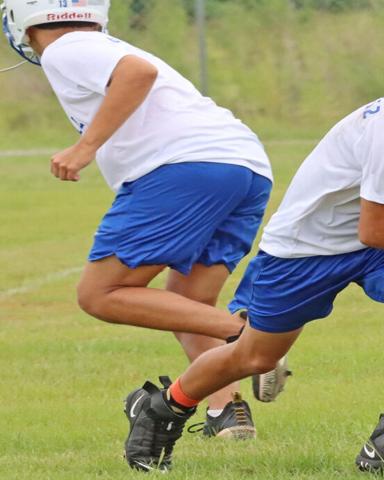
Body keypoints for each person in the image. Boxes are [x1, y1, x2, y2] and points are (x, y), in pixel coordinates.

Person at [118, 11, 384, 474]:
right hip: (310, 247)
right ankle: (163, 407)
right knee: (254, 355)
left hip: (374, 236)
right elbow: (375, 229)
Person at [3, 0, 282, 450]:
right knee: (188, 304)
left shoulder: (65, 47)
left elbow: (136, 74)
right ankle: (226, 411)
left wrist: (84, 147)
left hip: (185, 168)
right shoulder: (96, 42)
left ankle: (254, 337)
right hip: (243, 166)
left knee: (100, 294)